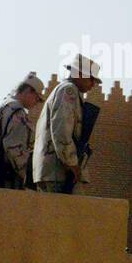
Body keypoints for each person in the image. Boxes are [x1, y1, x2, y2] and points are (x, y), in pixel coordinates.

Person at [32, 55, 100, 193]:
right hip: (59, 171)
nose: (93, 84)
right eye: (91, 79)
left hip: (53, 170)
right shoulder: (68, 90)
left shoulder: (64, 90)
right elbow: (62, 129)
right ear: (80, 74)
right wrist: (72, 163)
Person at [0, 72, 45, 188]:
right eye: (37, 98)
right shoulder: (17, 113)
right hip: (11, 180)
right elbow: (15, 149)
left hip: (1, 176)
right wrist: (31, 180)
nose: (37, 103)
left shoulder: (5, 106)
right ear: (28, 91)